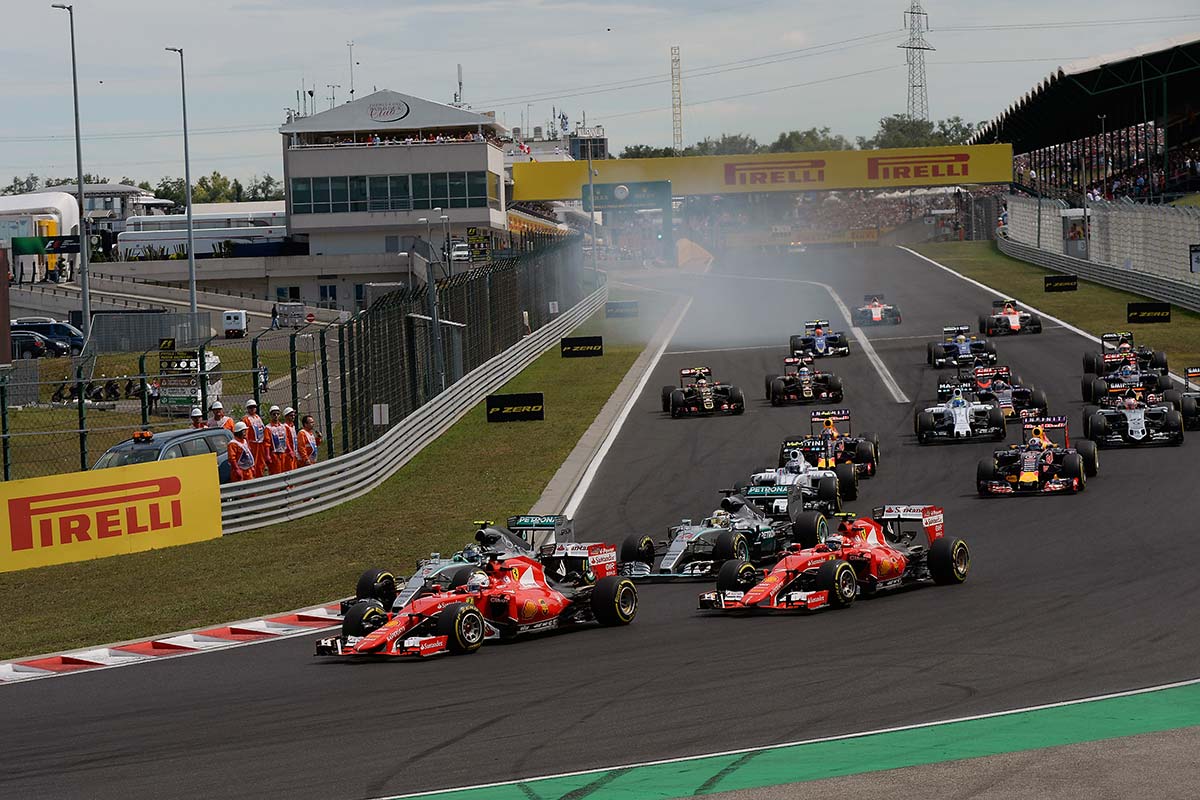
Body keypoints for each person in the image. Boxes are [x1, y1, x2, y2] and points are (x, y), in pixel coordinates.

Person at [242, 398, 268, 478]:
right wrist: (247, 444)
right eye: (250, 407)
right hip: (252, 444)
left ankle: (260, 476)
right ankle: (254, 477)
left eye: (254, 407)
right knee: (254, 462)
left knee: (261, 462)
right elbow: (245, 434)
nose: (252, 409)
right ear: (247, 408)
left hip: (261, 443)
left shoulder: (257, 417)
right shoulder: (245, 419)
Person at [265, 405, 290, 475]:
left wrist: (290, 450)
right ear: (271, 415)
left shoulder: (283, 427)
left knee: (285, 471)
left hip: (283, 453)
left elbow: (286, 439)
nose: (276, 416)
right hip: (275, 454)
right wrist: (267, 455)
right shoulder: (268, 428)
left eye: (277, 414)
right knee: (276, 472)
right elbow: (267, 443)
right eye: (274, 414)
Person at [282, 407, 300, 471]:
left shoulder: (292, 426)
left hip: (294, 452)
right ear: (286, 416)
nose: (293, 417)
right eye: (291, 415)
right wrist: (290, 451)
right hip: (288, 454)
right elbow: (286, 440)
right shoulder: (285, 427)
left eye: (294, 415)